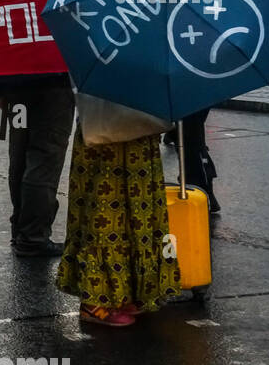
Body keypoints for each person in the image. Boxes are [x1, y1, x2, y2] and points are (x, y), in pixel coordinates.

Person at [0, 0, 76, 257]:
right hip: (52, 86)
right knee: (45, 157)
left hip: (15, 90)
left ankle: (19, 227)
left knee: (20, 154)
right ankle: (33, 236)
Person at [55, 116, 181, 327]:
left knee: (139, 215)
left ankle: (125, 294)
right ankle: (94, 299)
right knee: (104, 212)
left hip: (139, 135)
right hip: (104, 135)